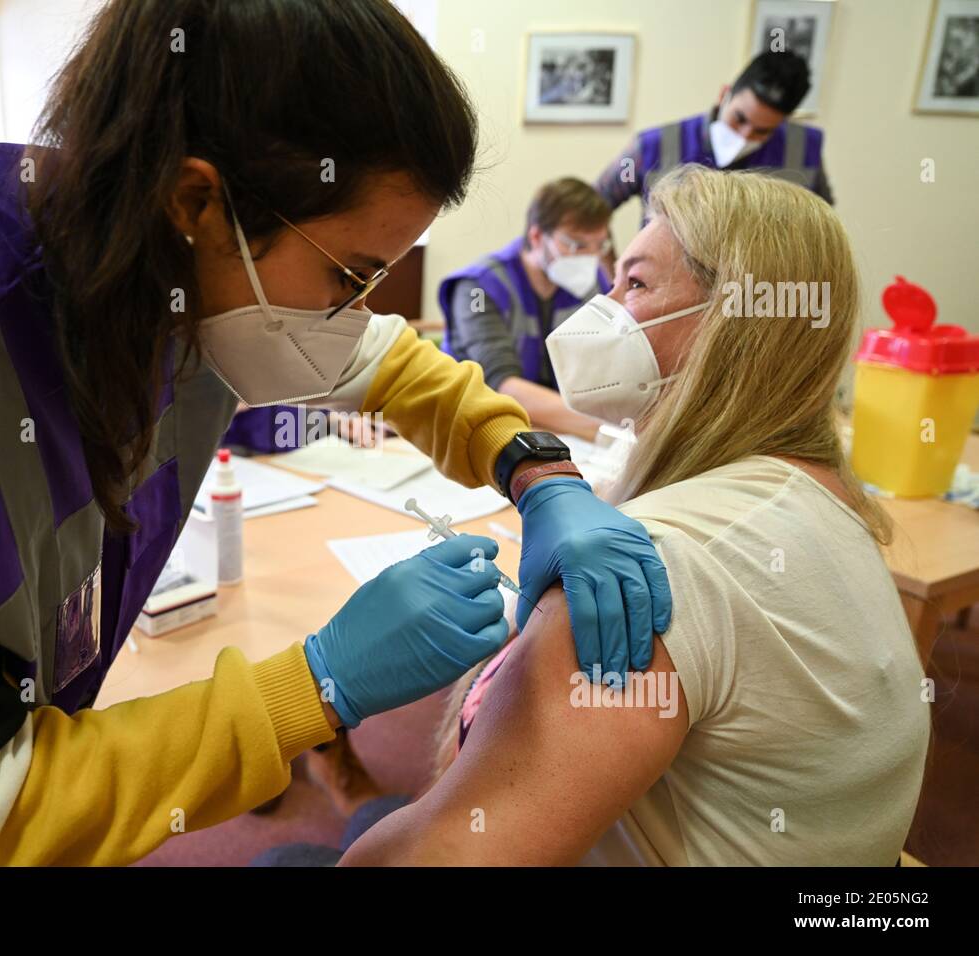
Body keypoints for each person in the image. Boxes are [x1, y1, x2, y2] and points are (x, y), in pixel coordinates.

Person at [0, 0, 669, 866]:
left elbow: (390, 362)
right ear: (197, 200)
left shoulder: (140, 258)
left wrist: (537, 472)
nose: (360, 313)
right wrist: (311, 685)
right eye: (351, 274)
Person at [281, 167, 931, 866]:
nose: (605, 303)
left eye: (637, 283)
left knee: (290, 858)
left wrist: (310, 689)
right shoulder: (831, 498)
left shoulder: (645, 569)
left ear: (729, 328)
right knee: (375, 819)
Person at [438, 177, 613, 440]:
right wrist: (608, 428)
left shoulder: (591, 285)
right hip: (472, 430)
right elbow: (502, 386)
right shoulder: (478, 287)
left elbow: (603, 370)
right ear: (536, 236)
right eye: (576, 245)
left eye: (599, 246)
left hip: (555, 430)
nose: (589, 257)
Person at [594, 51, 834, 225]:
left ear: (785, 120)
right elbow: (588, 208)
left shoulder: (803, 151)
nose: (745, 135)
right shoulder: (654, 145)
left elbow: (823, 223)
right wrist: (612, 272)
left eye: (762, 131)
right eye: (739, 119)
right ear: (724, 95)